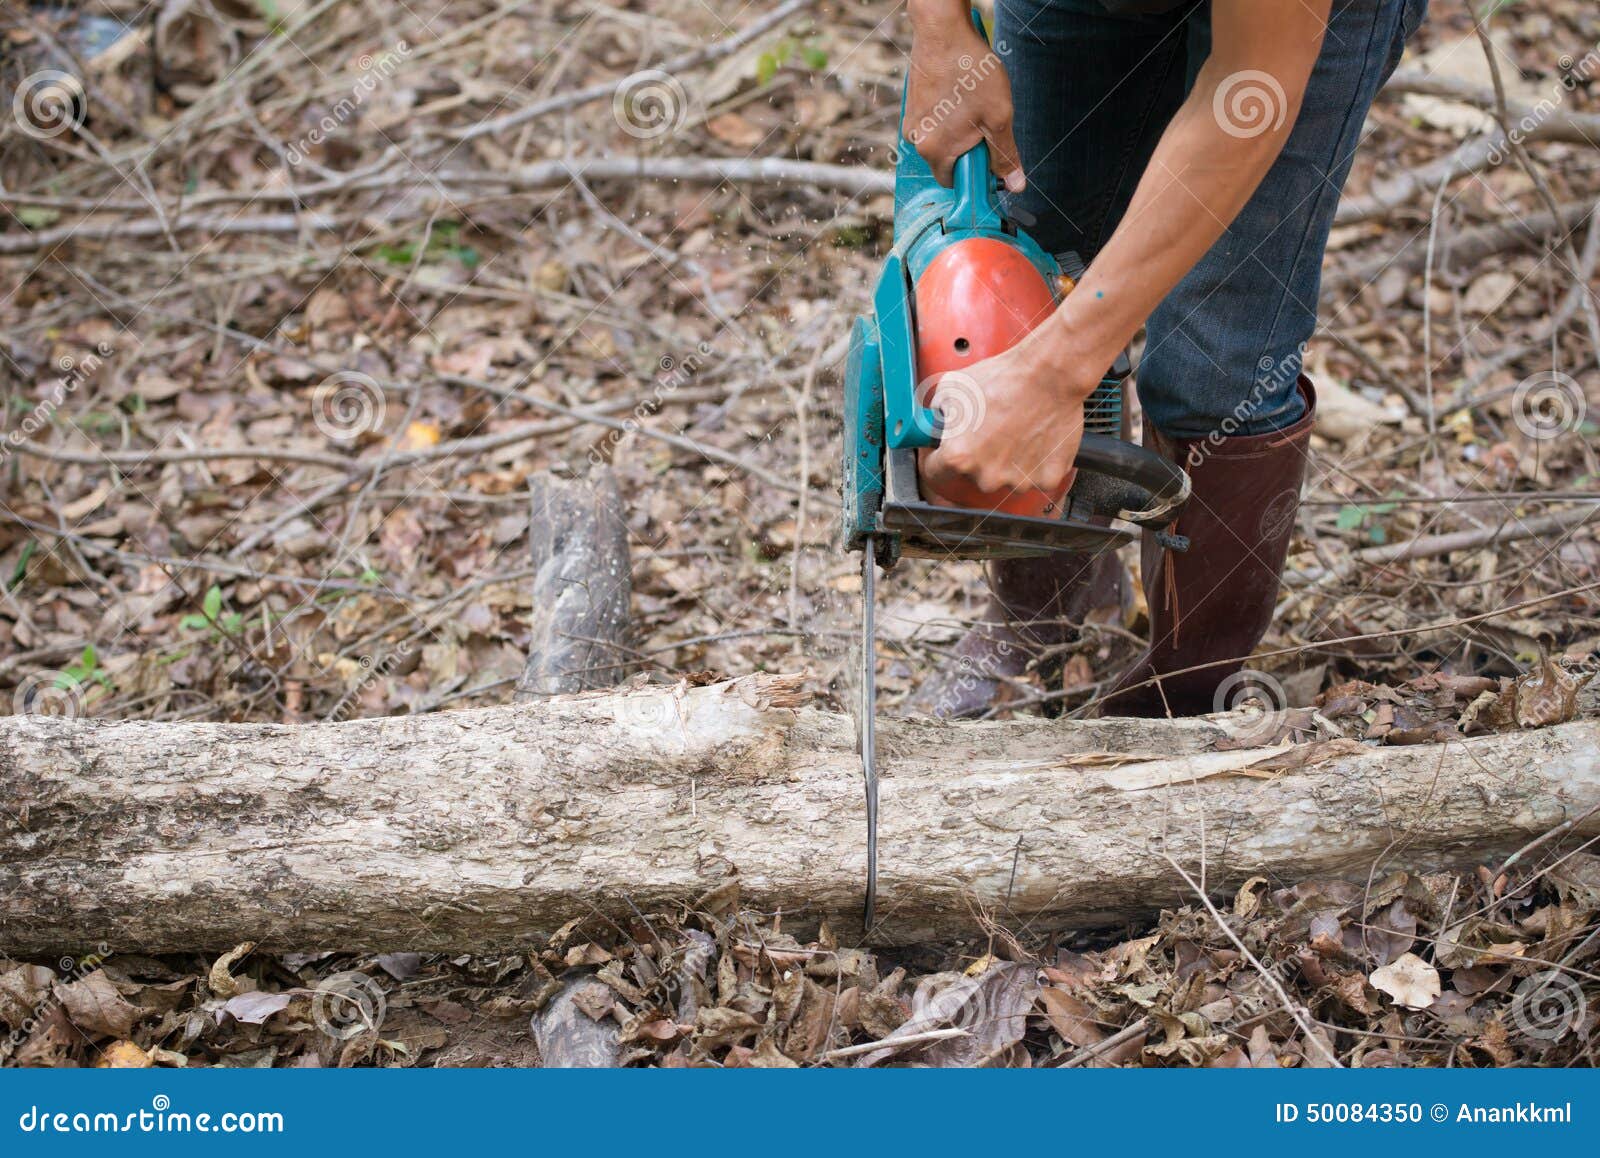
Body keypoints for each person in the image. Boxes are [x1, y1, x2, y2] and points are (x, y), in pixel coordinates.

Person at [902, 0, 1427, 718]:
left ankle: (1177, 699)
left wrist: (1053, 374)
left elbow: (1254, 80)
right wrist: (939, 30)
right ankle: (1042, 625)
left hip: (1284, 31)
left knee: (1217, 364)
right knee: (1032, 266)